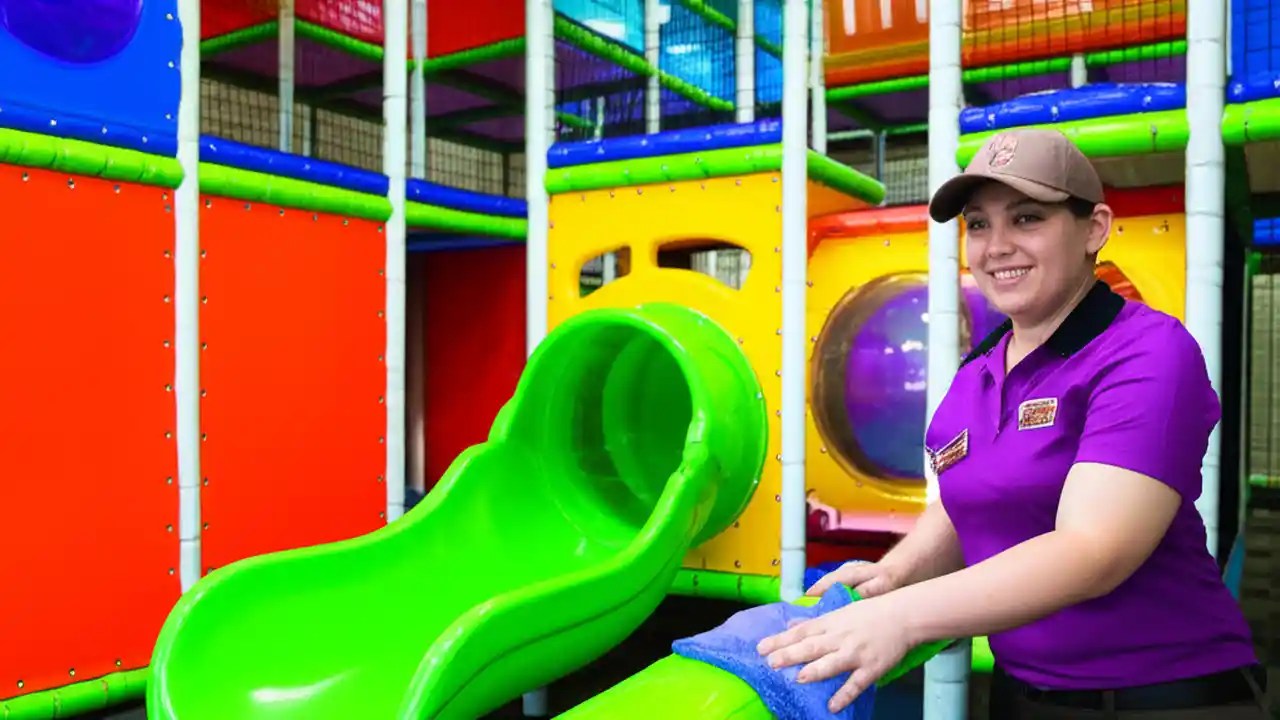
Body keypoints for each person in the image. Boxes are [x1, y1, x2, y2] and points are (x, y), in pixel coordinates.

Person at [756, 128, 1268, 719]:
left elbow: (1093, 551)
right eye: (978, 224)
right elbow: (963, 499)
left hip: (1162, 694)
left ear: (1093, 229)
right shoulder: (978, 371)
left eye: (1026, 219)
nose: (996, 246)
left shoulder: (1147, 351)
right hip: (1020, 693)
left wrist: (901, 615)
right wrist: (891, 575)